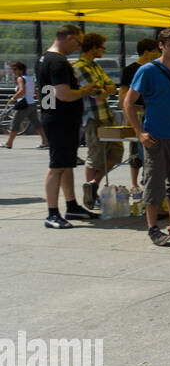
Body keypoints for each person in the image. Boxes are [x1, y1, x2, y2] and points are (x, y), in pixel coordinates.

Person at [121, 28, 170, 246]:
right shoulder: (148, 70)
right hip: (157, 136)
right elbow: (128, 102)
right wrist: (140, 132)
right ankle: (153, 228)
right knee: (154, 183)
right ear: (161, 46)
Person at [37, 24, 101, 228]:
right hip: (60, 120)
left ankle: (71, 205)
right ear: (70, 38)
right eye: (78, 43)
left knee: (66, 164)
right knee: (57, 166)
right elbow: (63, 94)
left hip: (54, 116)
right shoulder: (58, 62)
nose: (78, 48)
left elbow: (47, 93)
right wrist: (85, 90)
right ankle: (52, 213)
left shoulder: (45, 58)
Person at [71, 33, 123, 210]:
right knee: (95, 156)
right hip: (93, 117)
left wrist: (105, 89)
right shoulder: (80, 67)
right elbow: (98, 94)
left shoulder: (95, 66)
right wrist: (105, 89)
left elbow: (111, 87)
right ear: (93, 48)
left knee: (116, 152)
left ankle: (93, 184)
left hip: (106, 116)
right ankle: (90, 194)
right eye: (102, 47)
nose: (103, 50)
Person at [120, 38, 161, 199]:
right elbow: (123, 97)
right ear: (147, 52)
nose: (158, 55)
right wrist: (129, 118)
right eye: (156, 52)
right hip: (137, 114)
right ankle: (134, 183)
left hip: (151, 114)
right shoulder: (131, 69)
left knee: (149, 150)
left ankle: (146, 182)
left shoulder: (156, 68)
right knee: (135, 151)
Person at [3, 61, 47, 149]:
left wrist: (13, 99)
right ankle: (45, 141)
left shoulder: (20, 78)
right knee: (36, 123)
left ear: (21, 70)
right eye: (13, 69)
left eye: (15, 69)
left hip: (24, 105)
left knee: (15, 122)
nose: (13, 71)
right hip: (32, 104)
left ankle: (9, 143)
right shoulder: (30, 78)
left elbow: (22, 91)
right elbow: (35, 91)